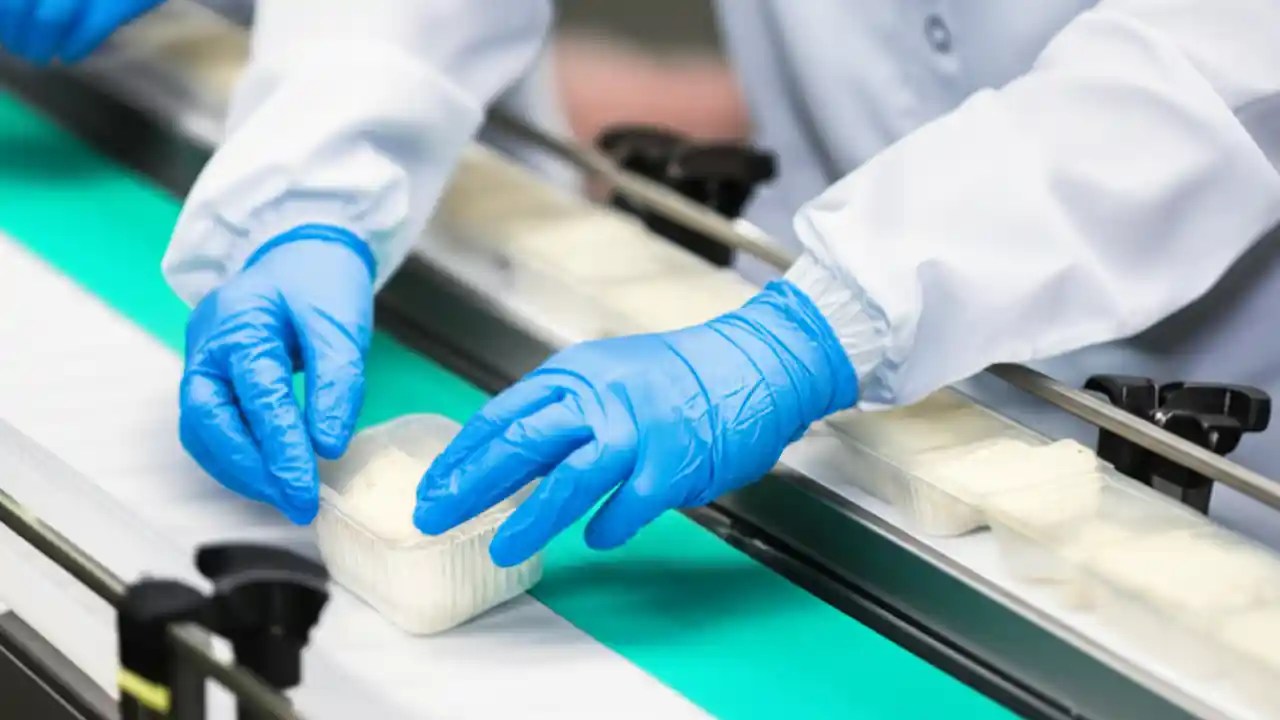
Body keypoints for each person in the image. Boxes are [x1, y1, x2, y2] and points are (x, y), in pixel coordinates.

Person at [15, 2, 1280, 558]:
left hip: (1209, 404)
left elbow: (1220, 56)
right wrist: (312, 194)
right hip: (793, 276)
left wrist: (816, 331)